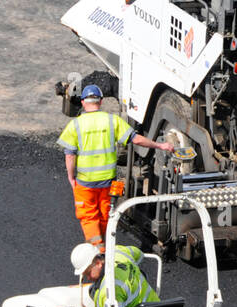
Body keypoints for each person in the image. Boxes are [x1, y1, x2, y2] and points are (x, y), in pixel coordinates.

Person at [59, 84, 173, 252]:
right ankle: (102, 248)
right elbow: (137, 140)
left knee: (88, 217)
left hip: (85, 183)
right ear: (101, 101)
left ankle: (98, 253)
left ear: (83, 102)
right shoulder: (112, 121)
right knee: (105, 215)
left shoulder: (75, 125)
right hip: (107, 181)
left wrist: (71, 177)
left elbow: (70, 156)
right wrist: (160, 145)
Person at [72, 242, 160, 307]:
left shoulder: (109, 291)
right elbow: (138, 253)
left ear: (98, 263)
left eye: (88, 272)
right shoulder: (118, 252)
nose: (88, 278)